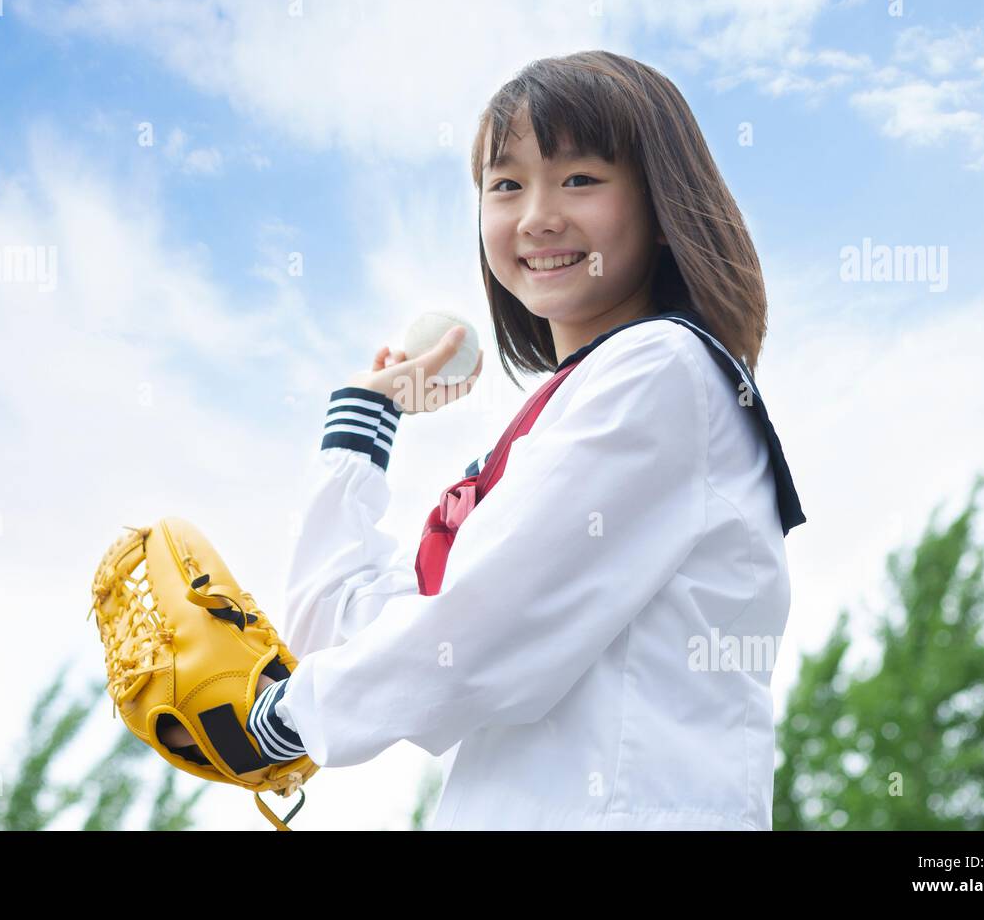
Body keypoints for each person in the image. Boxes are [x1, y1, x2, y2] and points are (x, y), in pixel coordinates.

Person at [244, 50, 807, 829]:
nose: (537, 214)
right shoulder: (574, 404)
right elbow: (354, 635)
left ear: (662, 200)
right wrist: (363, 425)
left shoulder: (663, 369)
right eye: (506, 184)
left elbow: (473, 641)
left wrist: (274, 724)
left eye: (580, 178)